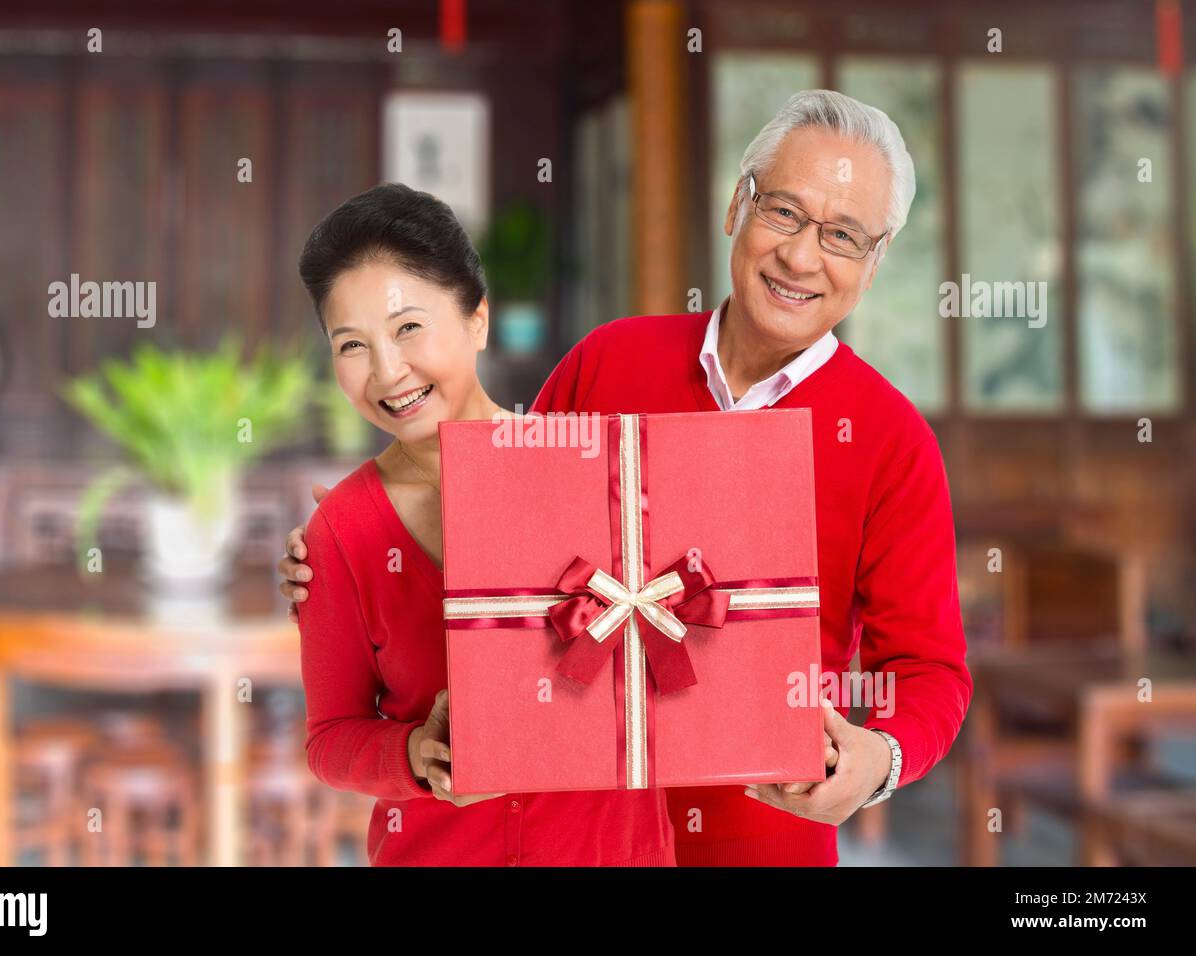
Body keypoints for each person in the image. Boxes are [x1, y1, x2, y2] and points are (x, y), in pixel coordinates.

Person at [281, 90, 973, 866]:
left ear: (874, 263)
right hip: (574, 836)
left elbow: (930, 670)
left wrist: (878, 761)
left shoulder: (892, 440)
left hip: (764, 837)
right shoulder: (608, 362)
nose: (802, 257)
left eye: (843, 235)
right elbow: (497, 539)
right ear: (735, 208)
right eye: (782, 212)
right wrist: (348, 544)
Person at [291, 182, 688, 865]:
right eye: (351, 345)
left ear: (477, 319)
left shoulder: (604, 474)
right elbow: (330, 739)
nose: (388, 371)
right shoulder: (341, 530)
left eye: (409, 327)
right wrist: (416, 754)